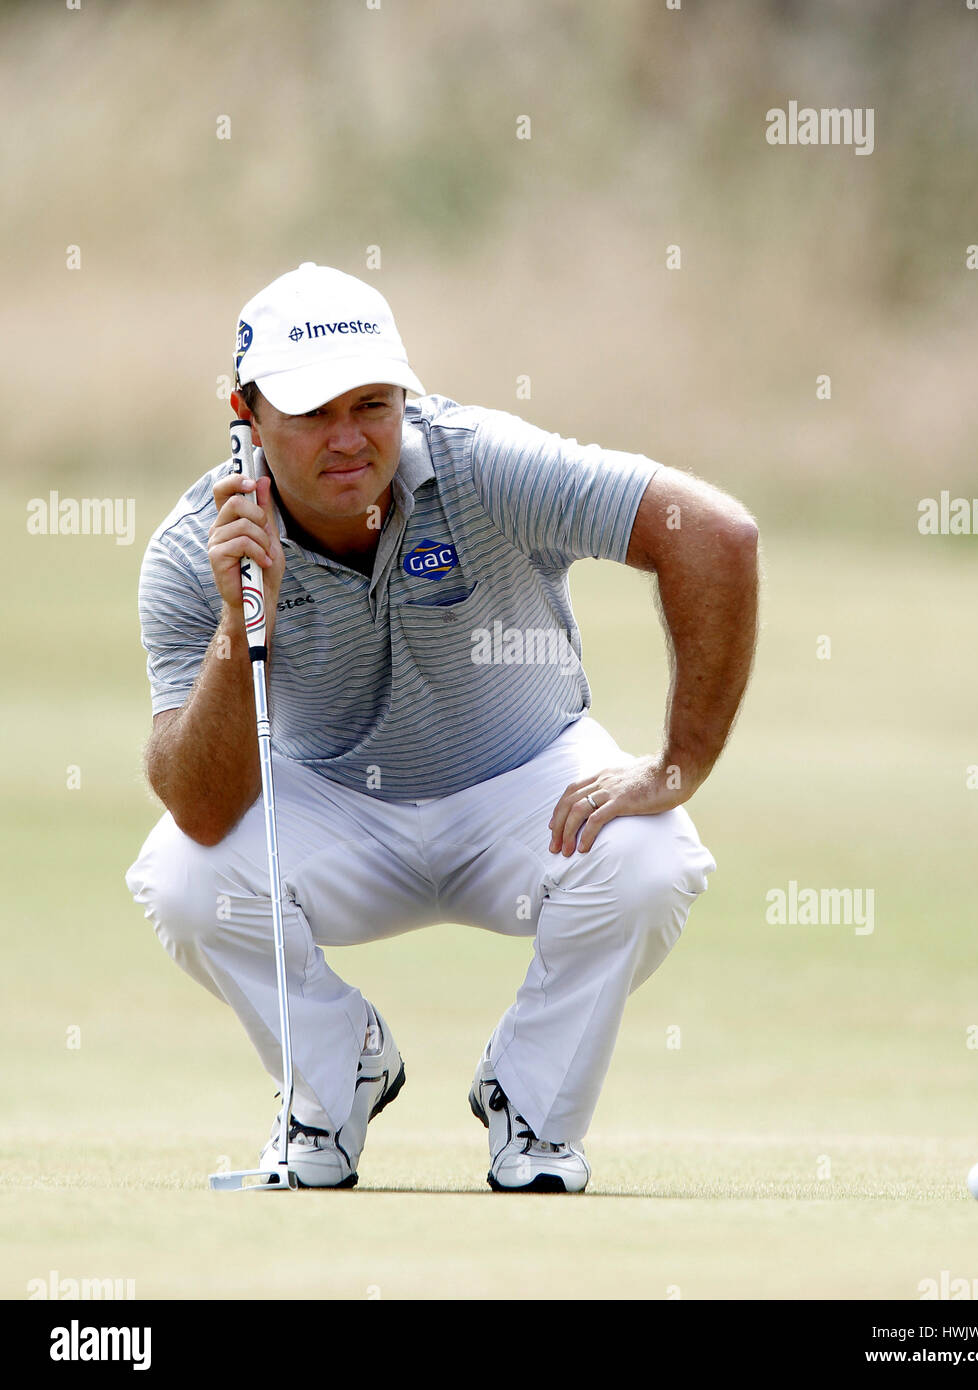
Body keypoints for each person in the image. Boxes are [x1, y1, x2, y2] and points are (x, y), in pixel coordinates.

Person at [125, 261, 759, 1193]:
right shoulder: (193, 551)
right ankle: (334, 1077)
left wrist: (679, 763)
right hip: (333, 800)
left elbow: (713, 533)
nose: (349, 440)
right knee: (183, 878)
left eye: (373, 404)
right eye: (312, 413)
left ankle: (531, 1109)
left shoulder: (483, 463)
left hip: (526, 780)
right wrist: (238, 623)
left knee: (655, 857)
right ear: (245, 416)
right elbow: (203, 806)